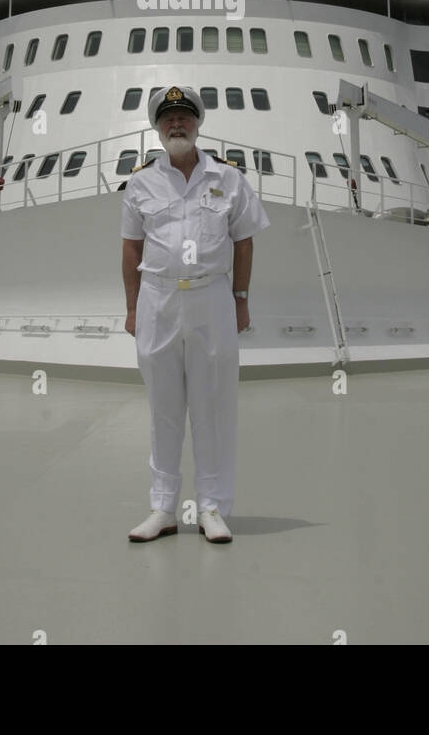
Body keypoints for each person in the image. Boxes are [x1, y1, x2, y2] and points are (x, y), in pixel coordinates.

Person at [121, 84, 270, 543]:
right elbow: (131, 247)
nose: (177, 124)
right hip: (158, 301)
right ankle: (163, 508)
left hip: (211, 299)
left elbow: (243, 241)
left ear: (198, 124)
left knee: (214, 408)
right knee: (163, 410)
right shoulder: (141, 181)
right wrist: (131, 307)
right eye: (168, 119)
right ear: (157, 128)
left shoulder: (227, 178)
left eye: (184, 117)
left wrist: (241, 298)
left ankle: (211, 508)